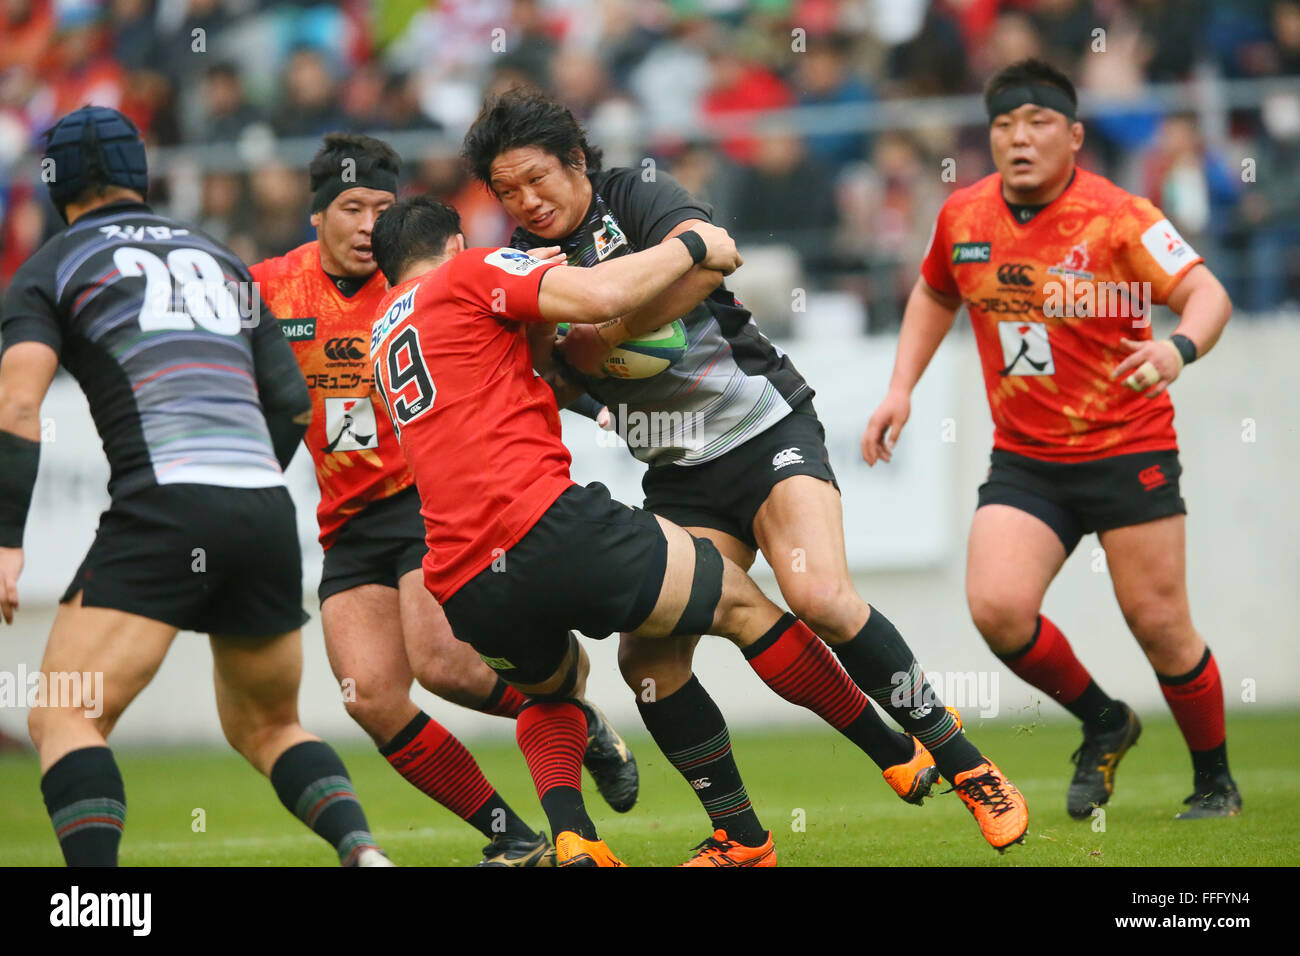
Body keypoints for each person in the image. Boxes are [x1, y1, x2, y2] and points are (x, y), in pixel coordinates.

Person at [367, 195, 1027, 867]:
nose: (522, 201)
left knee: (560, 690)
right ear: (452, 243)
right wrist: (690, 247)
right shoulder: (472, 270)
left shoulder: (380, 340)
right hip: (552, 522)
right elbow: (599, 294)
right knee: (731, 613)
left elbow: (515, 376)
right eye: (507, 188)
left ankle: (576, 838)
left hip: (468, 577)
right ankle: (859, 772)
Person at [0, 106, 389, 866]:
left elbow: (17, 404)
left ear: (57, 184)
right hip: (264, 510)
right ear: (140, 174)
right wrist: (239, 497)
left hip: (165, 506)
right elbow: (289, 405)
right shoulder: (219, 257)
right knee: (271, 727)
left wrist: (6, 539)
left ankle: (99, 906)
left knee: (63, 715)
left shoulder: (54, 264)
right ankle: (364, 854)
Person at [862, 59, 1239, 820]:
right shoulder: (963, 218)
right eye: (1003, 125)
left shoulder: (1120, 216)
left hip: (1127, 446)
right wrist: (901, 386)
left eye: (1036, 124)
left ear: (1072, 136)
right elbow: (934, 291)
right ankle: (1105, 720)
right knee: (998, 608)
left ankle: (1215, 783)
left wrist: (1179, 348)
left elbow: (1207, 292)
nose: (1018, 139)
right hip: (1028, 458)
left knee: (1160, 625)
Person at [248, 132, 638, 867]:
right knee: (368, 696)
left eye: (381, 209)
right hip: (345, 520)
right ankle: (512, 837)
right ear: (317, 215)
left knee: (446, 666)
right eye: (351, 208)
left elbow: (522, 353)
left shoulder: (427, 281)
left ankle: (567, 712)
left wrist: (599, 404)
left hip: (425, 499)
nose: (368, 226)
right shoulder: (268, 288)